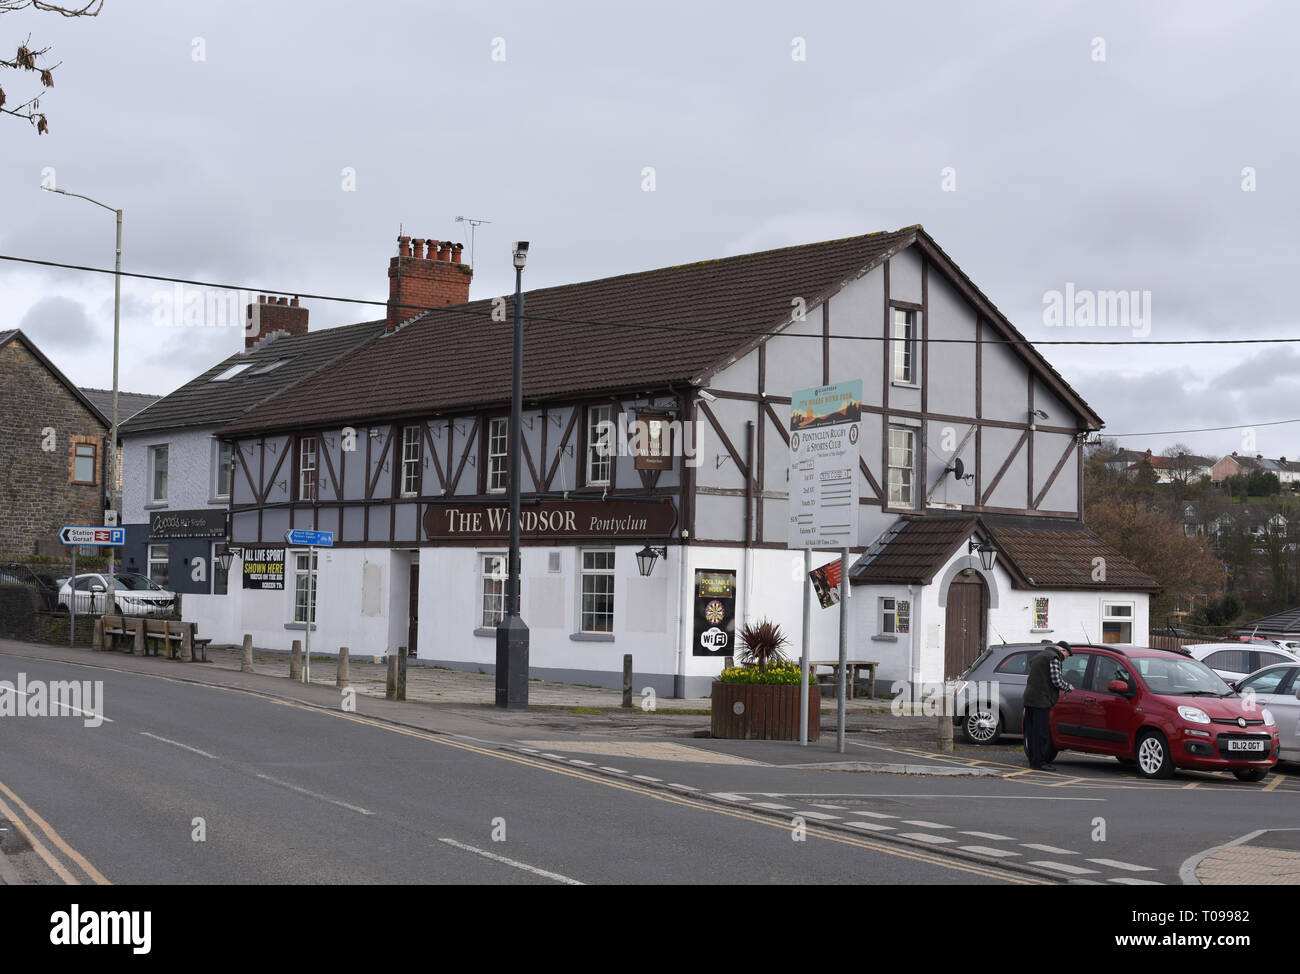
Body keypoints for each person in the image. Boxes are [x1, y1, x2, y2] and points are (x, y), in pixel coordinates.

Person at [1022, 640, 1074, 770]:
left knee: (1032, 732)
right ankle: (1039, 762)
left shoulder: (1040, 656)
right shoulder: (1054, 658)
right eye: (1066, 656)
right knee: (1041, 733)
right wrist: (1068, 687)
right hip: (1041, 700)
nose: (1065, 659)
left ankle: (1033, 761)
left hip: (1029, 698)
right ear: (1062, 651)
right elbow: (1056, 680)